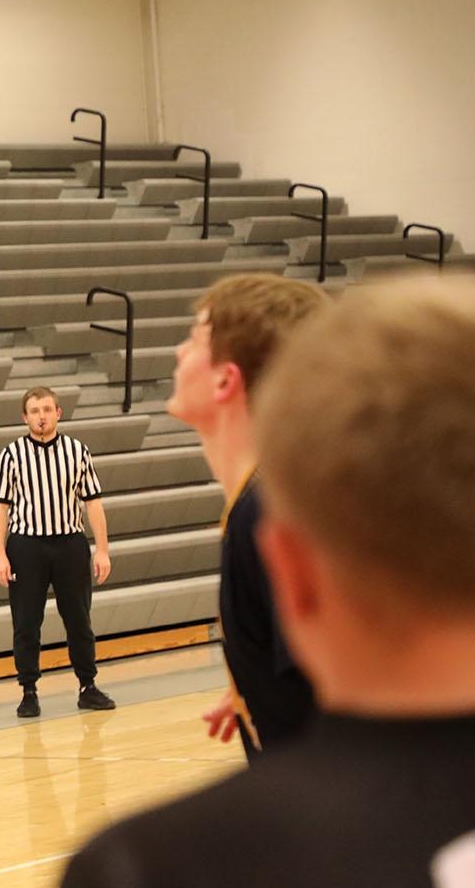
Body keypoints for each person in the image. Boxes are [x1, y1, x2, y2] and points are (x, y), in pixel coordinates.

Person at [62, 278, 475, 888]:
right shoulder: (257, 508)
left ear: (294, 570)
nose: (178, 352)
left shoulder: (152, 863)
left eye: (193, 338)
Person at [164, 274, 328, 757]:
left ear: (225, 379)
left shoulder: (273, 510)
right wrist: (253, 688)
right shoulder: (269, 497)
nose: (178, 353)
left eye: (194, 339)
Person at [0, 387, 115, 718]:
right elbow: (0, 508)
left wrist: (102, 549)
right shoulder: (12, 454)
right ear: (25, 417)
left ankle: (87, 686)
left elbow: (93, 503)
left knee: (79, 618)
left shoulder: (77, 451)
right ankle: (28, 690)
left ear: (59, 413)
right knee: (26, 621)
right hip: (26, 546)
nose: (41, 416)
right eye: (34, 410)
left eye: (46, 409)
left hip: (69, 544)